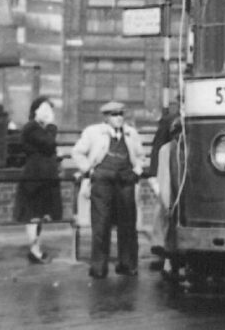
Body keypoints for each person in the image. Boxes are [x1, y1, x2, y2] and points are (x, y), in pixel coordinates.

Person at [71, 101, 146, 279]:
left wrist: (137, 171)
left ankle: (127, 264)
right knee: (101, 223)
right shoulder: (93, 132)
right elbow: (77, 152)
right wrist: (89, 170)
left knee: (128, 224)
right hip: (102, 182)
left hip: (125, 182)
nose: (118, 118)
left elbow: (141, 156)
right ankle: (99, 267)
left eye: (121, 114)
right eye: (114, 115)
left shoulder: (131, 133)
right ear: (105, 117)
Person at [13, 96, 63, 264]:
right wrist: (51, 126)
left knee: (40, 215)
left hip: (45, 177)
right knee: (33, 216)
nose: (48, 113)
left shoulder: (41, 129)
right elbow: (48, 142)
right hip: (34, 178)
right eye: (44, 109)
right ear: (35, 111)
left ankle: (36, 249)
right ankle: (35, 251)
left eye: (50, 109)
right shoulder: (31, 128)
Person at [146, 101, 180, 271]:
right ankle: (160, 250)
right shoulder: (170, 120)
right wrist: (153, 175)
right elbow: (158, 146)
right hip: (168, 166)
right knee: (165, 206)